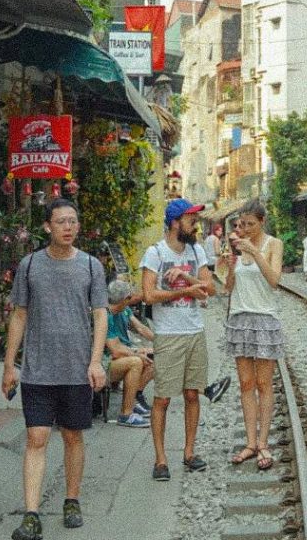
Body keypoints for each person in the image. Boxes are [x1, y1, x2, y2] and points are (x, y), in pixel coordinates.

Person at [1, 198, 109, 540]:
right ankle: (31, 515)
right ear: (47, 226)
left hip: (77, 370)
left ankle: (71, 500)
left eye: (73, 221)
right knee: (37, 437)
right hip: (37, 370)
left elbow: (100, 315)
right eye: (61, 221)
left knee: (73, 436)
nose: (68, 227)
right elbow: (19, 314)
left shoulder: (91, 266)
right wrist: (9, 365)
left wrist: (96, 361)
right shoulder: (31, 265)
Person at [142, 198, 218, 481]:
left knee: (192, 394)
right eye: (190, 219)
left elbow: (210, 289)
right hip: (169, 334)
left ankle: (189, 452)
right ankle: (160, 459)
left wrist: (186, 278)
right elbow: (149, 295)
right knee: (162, 398)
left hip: (194, 331)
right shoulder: (155, 253)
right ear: (175, 223)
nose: (195, 224)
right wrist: (184, 291)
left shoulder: (197, 250)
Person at [220, 200, 287, 470]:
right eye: (241, 224)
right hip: (240, 317)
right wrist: (230, 263)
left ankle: (263, 443)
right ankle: (250, 442)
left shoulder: (273, 244)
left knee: (264, 383)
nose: (245, 229)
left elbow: (274, 280)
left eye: (250, 224)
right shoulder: (237, 246)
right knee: (246, 384)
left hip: (265, 318)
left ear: (262, 222)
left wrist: (255, 252)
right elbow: (228, 287)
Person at [104, 280, 155, 428]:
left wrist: (160, 343)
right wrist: (136, 353)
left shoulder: (124, 310)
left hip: (119, 354)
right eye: (130, 296)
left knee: (155, 356)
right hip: (105, 361)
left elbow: (141, 328)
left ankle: (134, 398)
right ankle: (126, 414)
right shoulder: (106, 315)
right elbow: (115, 350)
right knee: (136, 362)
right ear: (125, 299)